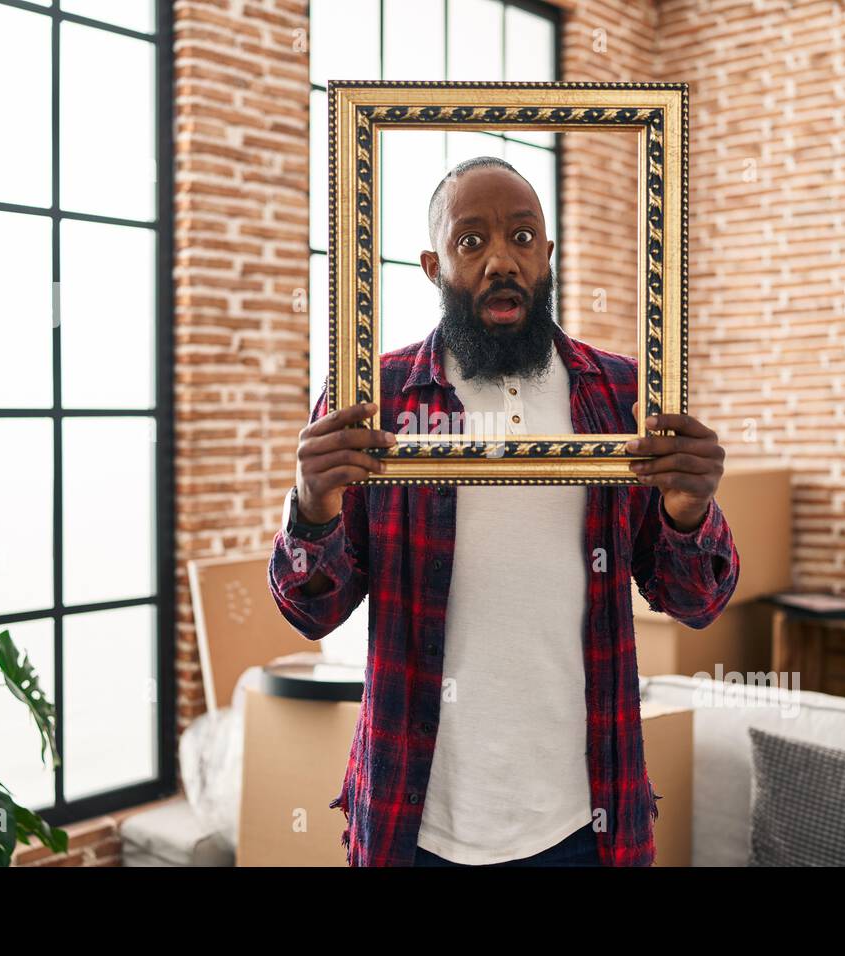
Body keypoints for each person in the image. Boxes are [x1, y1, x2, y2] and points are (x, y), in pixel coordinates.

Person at [268, 156, 739, 867]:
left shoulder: (619, 394)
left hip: (586, 823)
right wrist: (311, 508)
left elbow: (696, 599)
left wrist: (689, 512)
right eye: (471, 241)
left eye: (522, 238)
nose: (501, 260)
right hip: (414, 823)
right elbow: (311, 612)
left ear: (547, 254)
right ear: (432, 265)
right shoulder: (375, 397)